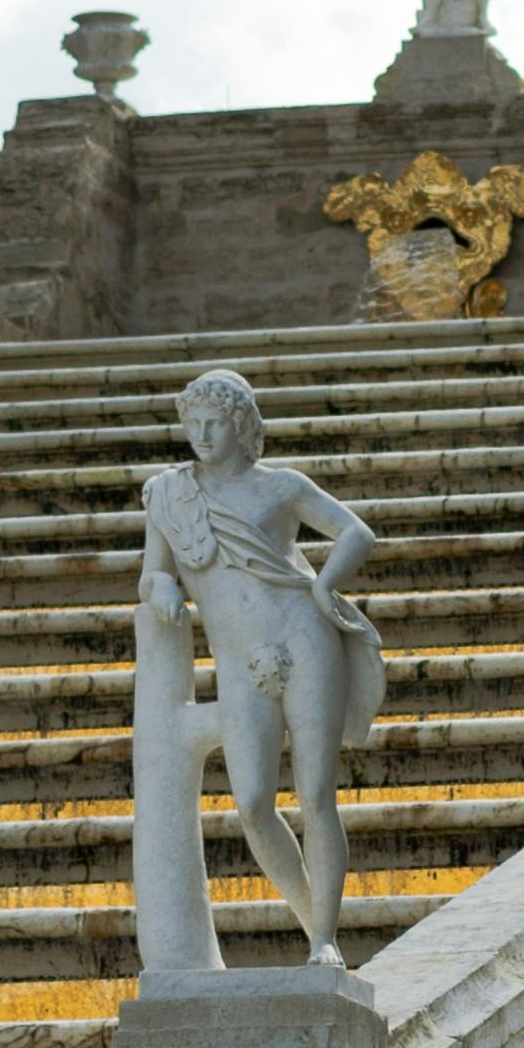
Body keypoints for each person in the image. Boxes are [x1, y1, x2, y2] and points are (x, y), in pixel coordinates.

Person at [131, 369, 382, 970]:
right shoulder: (170, 497)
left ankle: (324, 940)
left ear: (242, 427)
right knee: (252, 805)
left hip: (305, 637)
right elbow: (151, 570)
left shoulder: (281, 488)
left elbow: (356, 531)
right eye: (194, 425)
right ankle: (311, 920)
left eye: (215, 423)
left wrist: (323, 587)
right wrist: (162, 585)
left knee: (317, 794)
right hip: (238, 660)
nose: (203, 435)